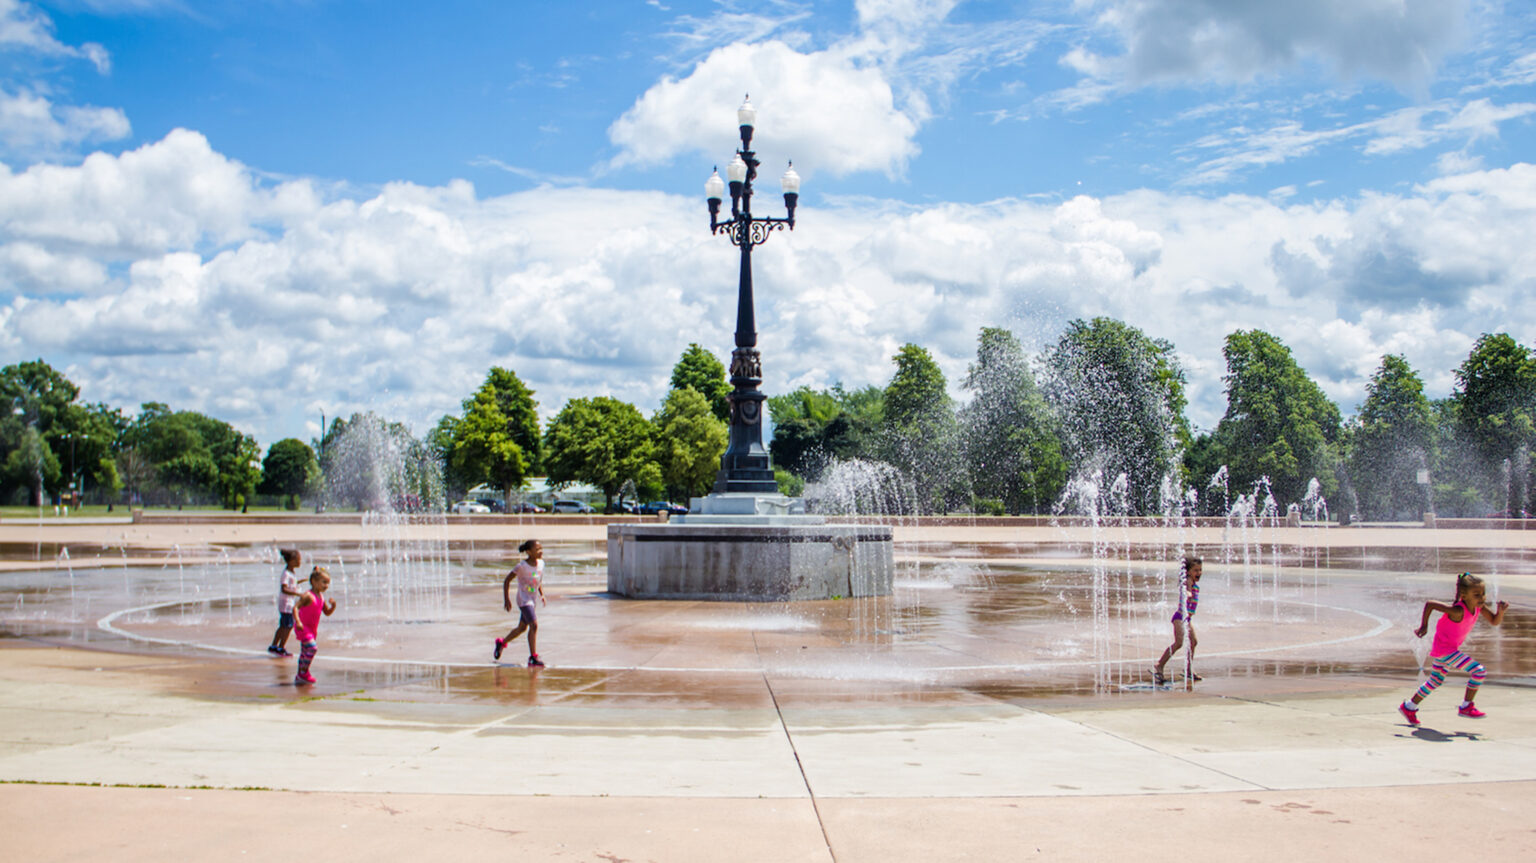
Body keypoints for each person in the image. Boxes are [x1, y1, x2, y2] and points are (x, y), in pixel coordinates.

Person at [1399, 572, 1508, 724]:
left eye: (1483, 594)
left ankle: (1409, 707)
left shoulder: (1478, 607)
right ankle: (1466, 706)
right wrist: (1424, 625)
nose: (1481, 597)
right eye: (1476, 594)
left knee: (1435, 681)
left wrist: (1501, 612)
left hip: (1446, 649)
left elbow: (1495, 621)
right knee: (1479, 671)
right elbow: (1430, 604)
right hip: (1445, 650)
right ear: (1464, 595)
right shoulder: (1458, 610)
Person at [495, 539, 547, 667]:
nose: (541, 551)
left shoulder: (541, 564)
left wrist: (542, 594)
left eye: (541, 548)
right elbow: (507, 581)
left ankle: (501, 642)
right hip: (523, 600)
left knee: (522, 628)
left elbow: (538, 580)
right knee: (534, 625)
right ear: (529, 552)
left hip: (532, 600)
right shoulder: (522, 566)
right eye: (537, 549)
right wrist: (506, 599)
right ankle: (533, 657)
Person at [1153, 556, 1202, 685]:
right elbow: (1186, 589)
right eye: (1196, 570)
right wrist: (1188, 594)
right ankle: (1160, 664)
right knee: (1179, 643)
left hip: (1187, 619)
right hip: (1180, 618)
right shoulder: (1187, 581)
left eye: (1200, 570)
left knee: (1193, 642)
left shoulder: (1194, 583)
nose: (1198, 573)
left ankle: (1188, 669)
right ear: (1188, 572)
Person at [292, 566, 337, 686]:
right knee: (312, 648)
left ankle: (299, 675)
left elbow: (326, 613)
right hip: (302, 626)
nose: (326, 586)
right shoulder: (308, 595)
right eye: (324, 582)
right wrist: (298, 621)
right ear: (314, 582)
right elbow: (295, 607)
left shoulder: (321, 597)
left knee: (304, 651)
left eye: (328, 583)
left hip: (311, 629)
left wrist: (333, 606)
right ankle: (303, 672)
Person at [267, 548, 304, 656]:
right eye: (298, 560)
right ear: (292, 561)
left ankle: (274, 645)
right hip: (286, 604)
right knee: (288, 626)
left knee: (283, 625)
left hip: (287, 604)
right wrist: (298, 593)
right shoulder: (286, 574)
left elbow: (292, 584)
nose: (300, 562)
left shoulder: (291, 572)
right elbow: (284, 588)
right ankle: (281, 647)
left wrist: (299, 582)